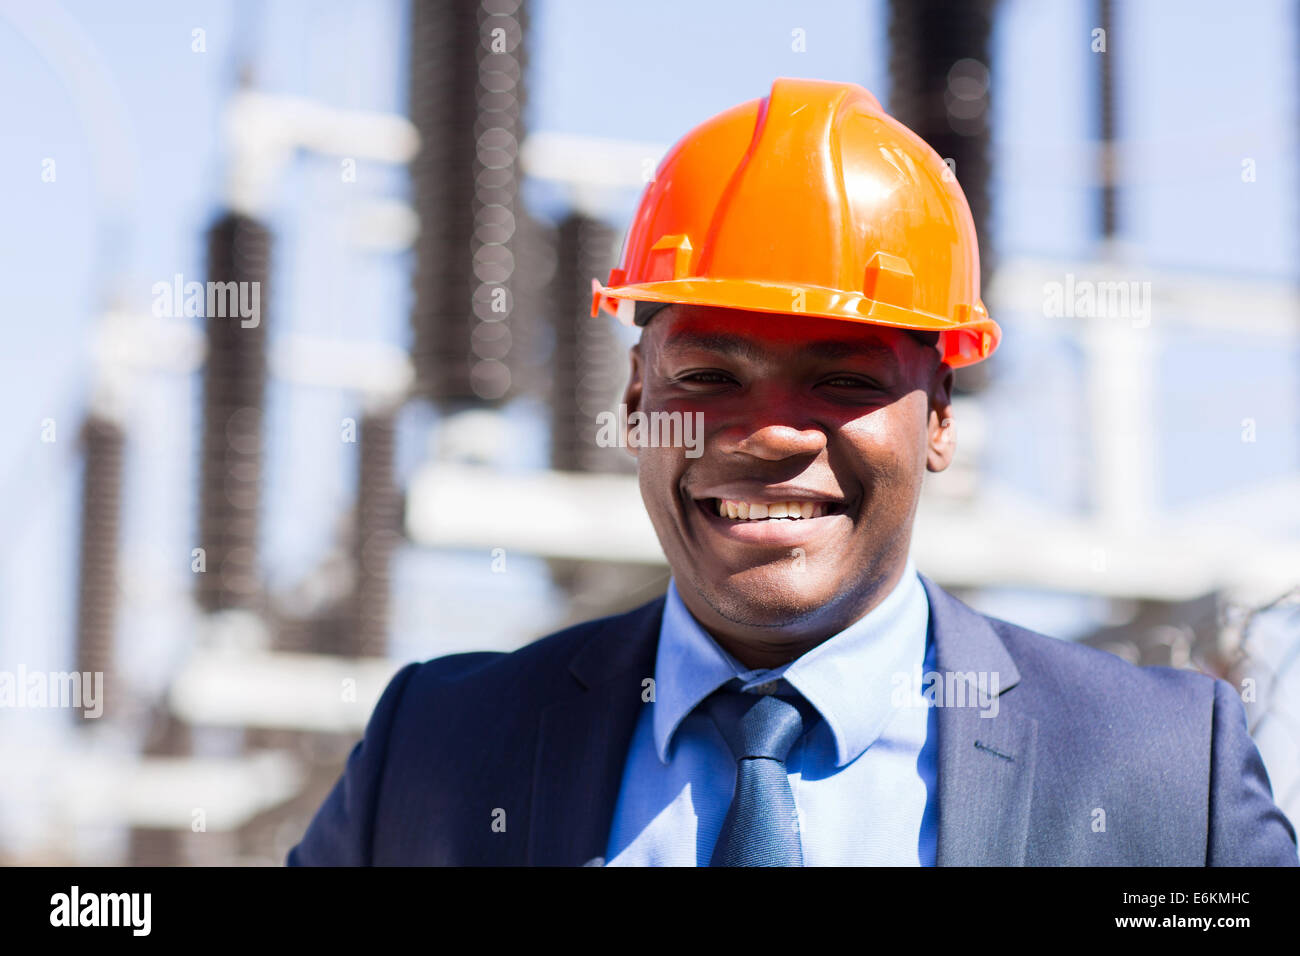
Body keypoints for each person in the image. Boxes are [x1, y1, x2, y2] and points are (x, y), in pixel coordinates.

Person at [287, 78, 1298, 866]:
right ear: (636, 404)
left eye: (843, 376)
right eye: (709, 375)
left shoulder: (1160, 768)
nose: (769, 433)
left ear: (939, 417)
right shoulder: (442, 750)